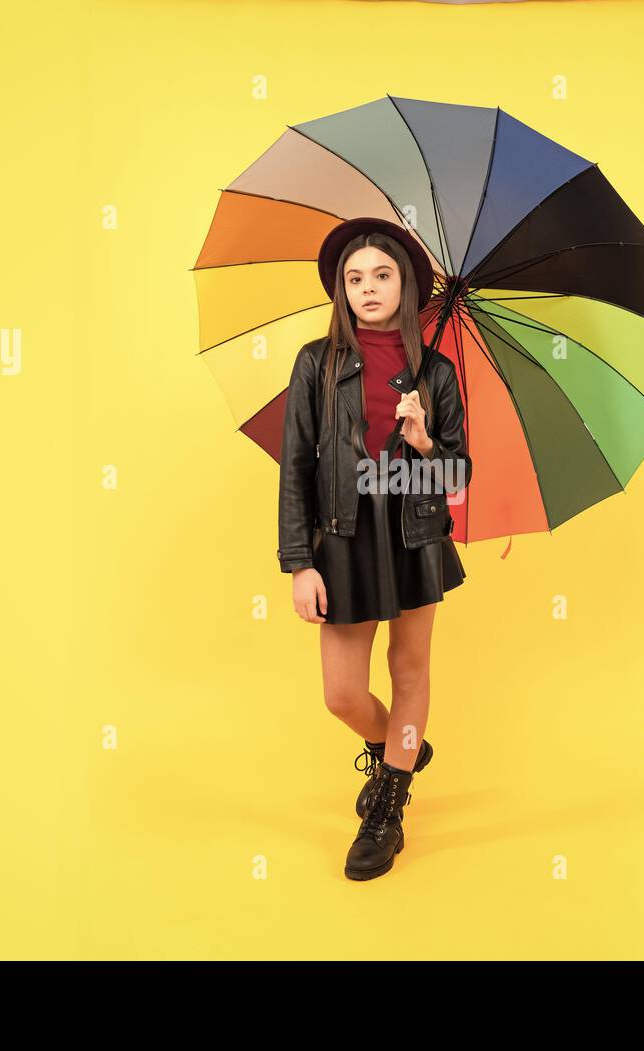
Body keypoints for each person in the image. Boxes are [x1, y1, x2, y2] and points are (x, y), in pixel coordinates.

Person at [276, 216, 472, 881]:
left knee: (410, 670)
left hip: (415, 536)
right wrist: (299, 561)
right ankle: (400, 748)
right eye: (353, 278)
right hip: (342, 538)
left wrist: (422, 442)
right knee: (342, 692)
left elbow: (457, 475)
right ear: (341, 289)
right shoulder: (316, 363)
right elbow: (296, 464)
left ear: (406, 284)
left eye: (381, 275)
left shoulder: (436, 372)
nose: (367, 287)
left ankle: (388, 803)